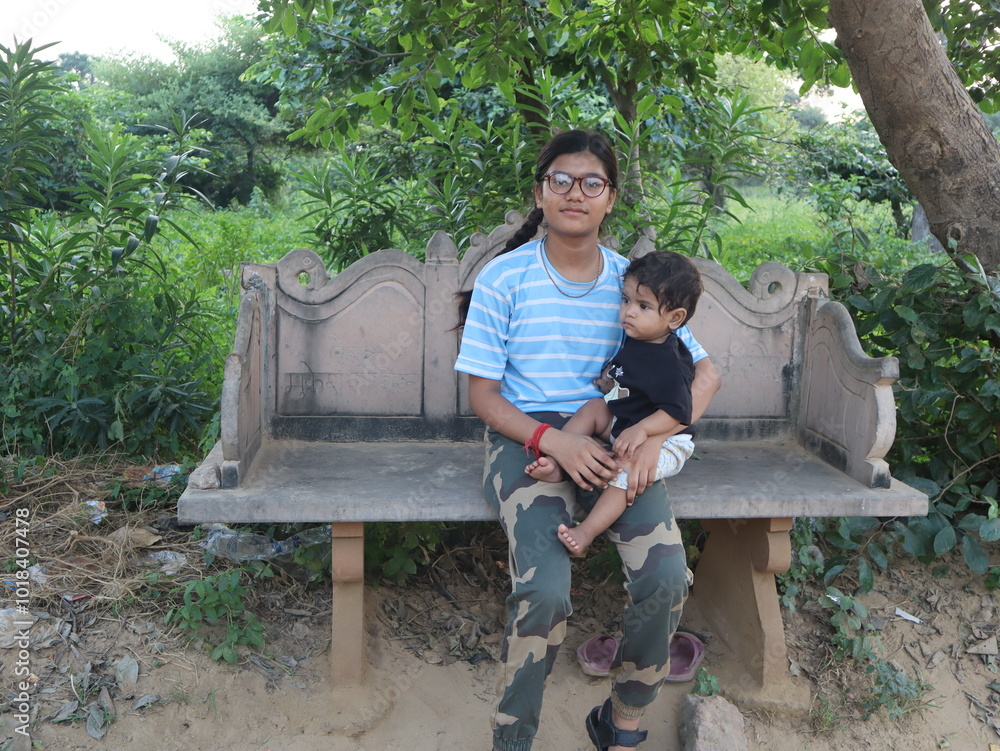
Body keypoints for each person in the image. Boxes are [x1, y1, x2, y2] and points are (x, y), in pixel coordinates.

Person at [454, 129, 721, 751]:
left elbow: (702, 374)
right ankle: (512, 739)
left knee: (665, 575)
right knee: (545, 591)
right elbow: (484, 399)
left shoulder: (637, 284)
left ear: (611, 199)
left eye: (592, 183)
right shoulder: (505, 278)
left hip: (622, 439)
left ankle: (622, 722)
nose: (576, 193)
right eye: (561, 180)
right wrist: (556, 443)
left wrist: (658, 435)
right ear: (540, 193)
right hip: (527, 438)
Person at [525, 250, 702, 558]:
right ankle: (559, 462)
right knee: (594, 408)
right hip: (626, 424)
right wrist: (610, 385)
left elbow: (679, 413)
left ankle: (586, 531)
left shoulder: (670, 363)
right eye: (626, 300)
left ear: (674, 318)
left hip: (668, 440)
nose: (628, 312)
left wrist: (645, 433)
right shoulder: (641, 336)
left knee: (625, 469)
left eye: (643, 306)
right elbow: (632, 380)